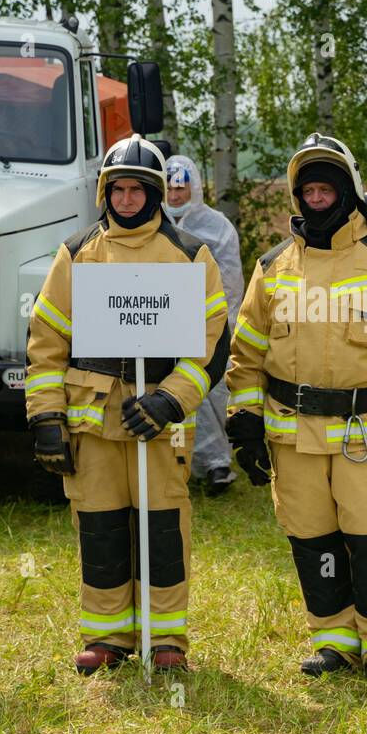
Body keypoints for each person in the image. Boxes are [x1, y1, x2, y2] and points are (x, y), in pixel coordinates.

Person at [225, 133, 367, 681]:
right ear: (299, 198)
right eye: (309, 189)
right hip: (290, 435)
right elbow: (247, 350)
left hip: (361, 431)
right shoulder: (272, 267)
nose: (318, 197)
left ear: (347, 192)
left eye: (327, 187)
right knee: (310, 535)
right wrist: (244, 421)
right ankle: (334, 641)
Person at [25, 135, 229, 675]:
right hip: (92, 424)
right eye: (119, 188)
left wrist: (169, 400)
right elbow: (46, 343)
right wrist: (45, 416)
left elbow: (212, 345)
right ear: (104, 192)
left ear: (158, 193)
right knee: (100, 527)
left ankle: (167, 640)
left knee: (163, 527)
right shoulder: (76, 254)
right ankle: (108, 637)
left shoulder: (190, 255)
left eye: (139, 189)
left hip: (158, 426)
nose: (129, 199)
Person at [163, 153, 244, 495]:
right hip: (163, 321)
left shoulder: (216, 227)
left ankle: (216, 464)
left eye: (181, 187)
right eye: (169, 187)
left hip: (206, 322)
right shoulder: (151, 222)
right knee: (174, 388)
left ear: (193, 188)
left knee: (211, 389)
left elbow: (229, 279)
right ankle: (185, 463)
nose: (175, 195)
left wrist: (215, 320)